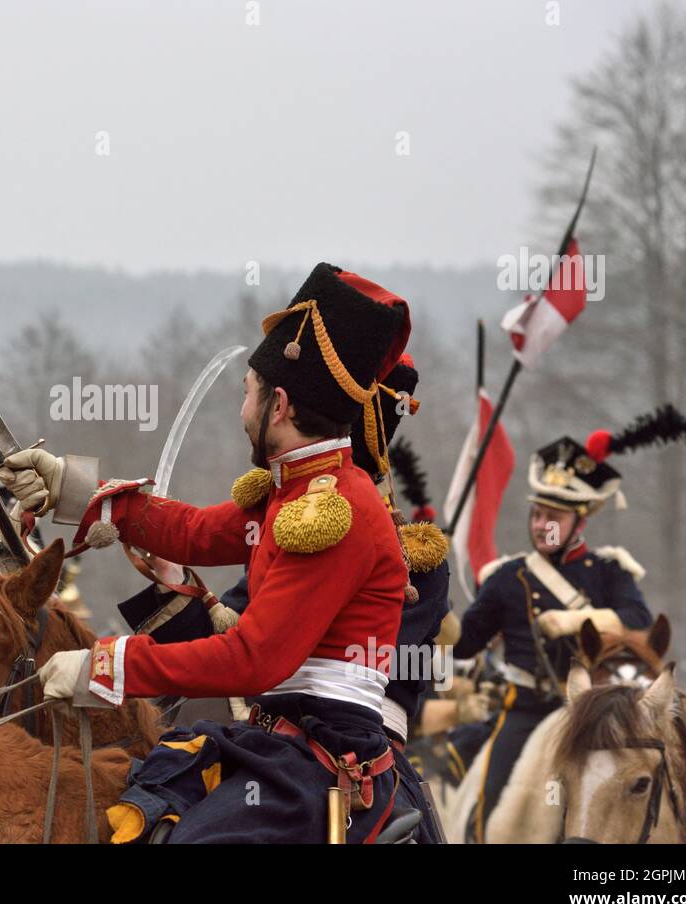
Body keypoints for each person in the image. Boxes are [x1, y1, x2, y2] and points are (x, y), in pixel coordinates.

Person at [0, 262, 414, 843]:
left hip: (322, 758)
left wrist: (109, 665)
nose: (240, 410)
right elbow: (192, 531)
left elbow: (253, 660)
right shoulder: (294, 486)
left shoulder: (335, 509)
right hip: (281, 741)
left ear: (279, 405)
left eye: (247, 395)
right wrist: (73, 491)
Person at [109, 354, 451, 842]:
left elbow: (255, 655)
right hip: (266, 733)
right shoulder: (291, 515)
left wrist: (108, 666)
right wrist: (171, 582)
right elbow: (218, 625)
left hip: (348, 755)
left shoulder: (403, 552)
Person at [452, 404, 686, 842]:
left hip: (596, 716)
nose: (542, 525)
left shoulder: (608, 571)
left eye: (555, 518)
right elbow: (464, 643)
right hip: (524, 709)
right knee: (489, 812)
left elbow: (637, 623)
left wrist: (572, 620)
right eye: (537, 514)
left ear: (580, 521)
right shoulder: (508, 578)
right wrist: (429, 605)